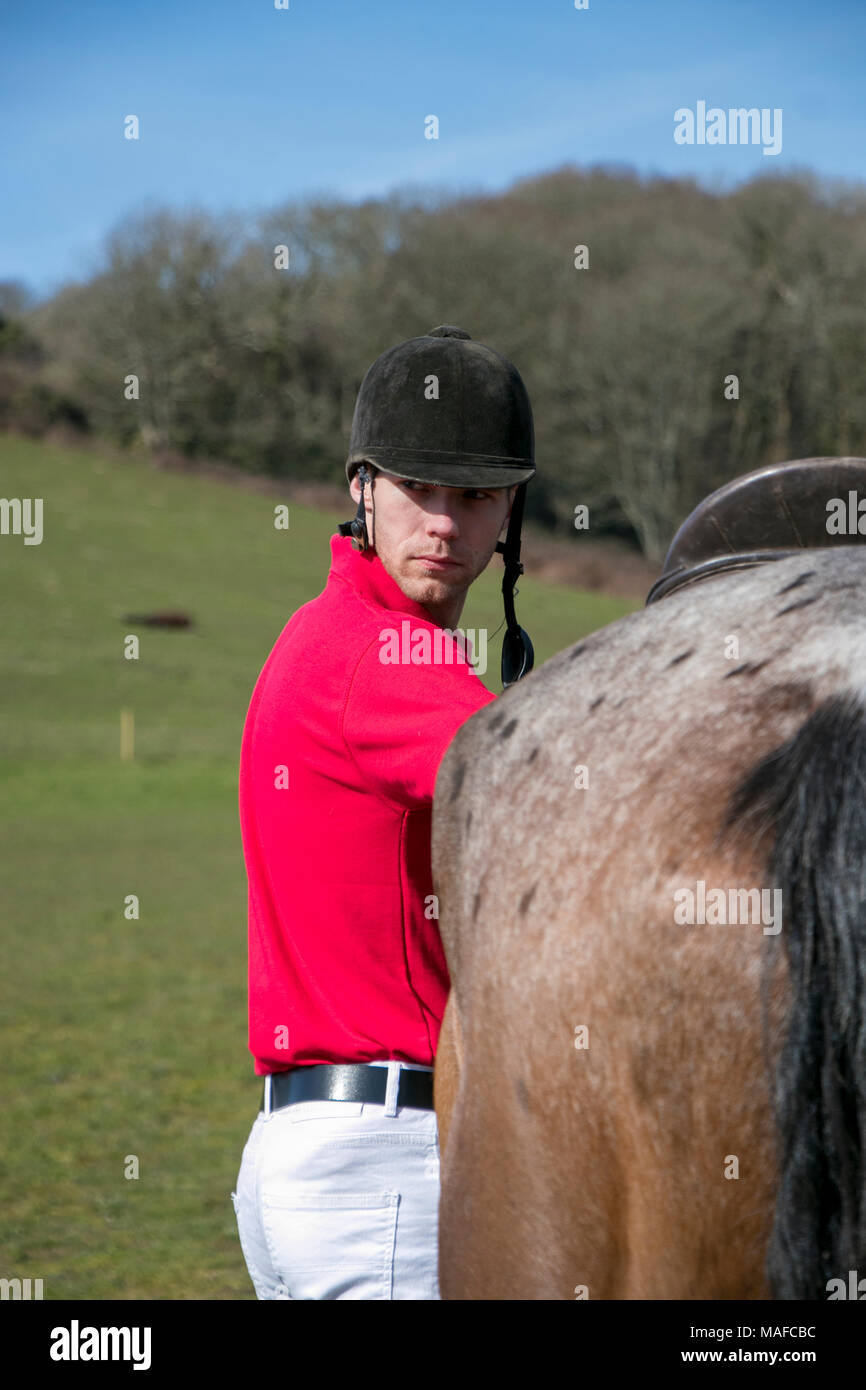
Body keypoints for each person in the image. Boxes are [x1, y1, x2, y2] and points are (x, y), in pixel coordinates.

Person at [231, 324, 536, 1299]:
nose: (442, 524)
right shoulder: (386, 656)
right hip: (383, 1161)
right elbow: (549, 794)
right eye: (418, 490)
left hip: (312, 1153)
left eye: (474, 496)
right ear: (363, 488)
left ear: (508, 518)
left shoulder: (321, 635)